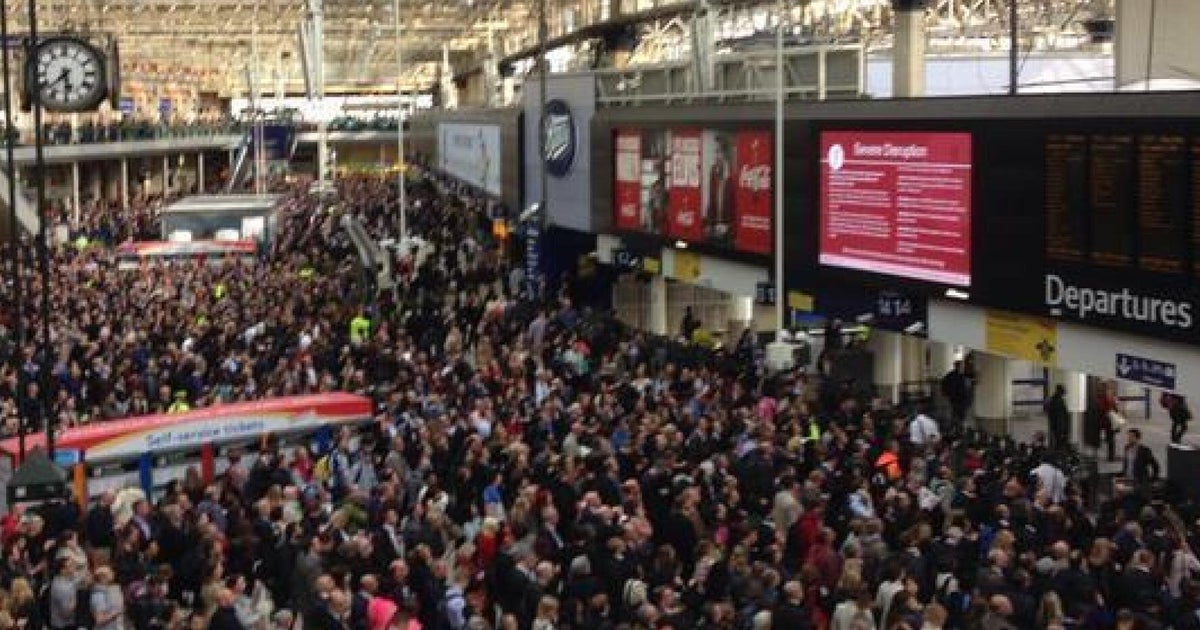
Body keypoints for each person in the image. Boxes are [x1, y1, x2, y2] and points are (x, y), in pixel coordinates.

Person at [941, 361, 971, 428]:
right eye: (961, 366)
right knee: (959, 414)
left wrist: (947, 394)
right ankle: (957, 428)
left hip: (957, 399)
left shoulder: (951, 375)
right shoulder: (959, 376)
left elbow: (943, 384)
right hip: (959, 399)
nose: (962, 368)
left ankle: (956, 427)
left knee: (957, 414)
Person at [1044, 384, 1070, 451]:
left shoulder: (1053, 400)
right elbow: (1060, 416)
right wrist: (1063, 429)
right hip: (1059, 427)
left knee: (1057, 443)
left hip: (1056, 426)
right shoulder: (1058, 401)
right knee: (1059, 444)